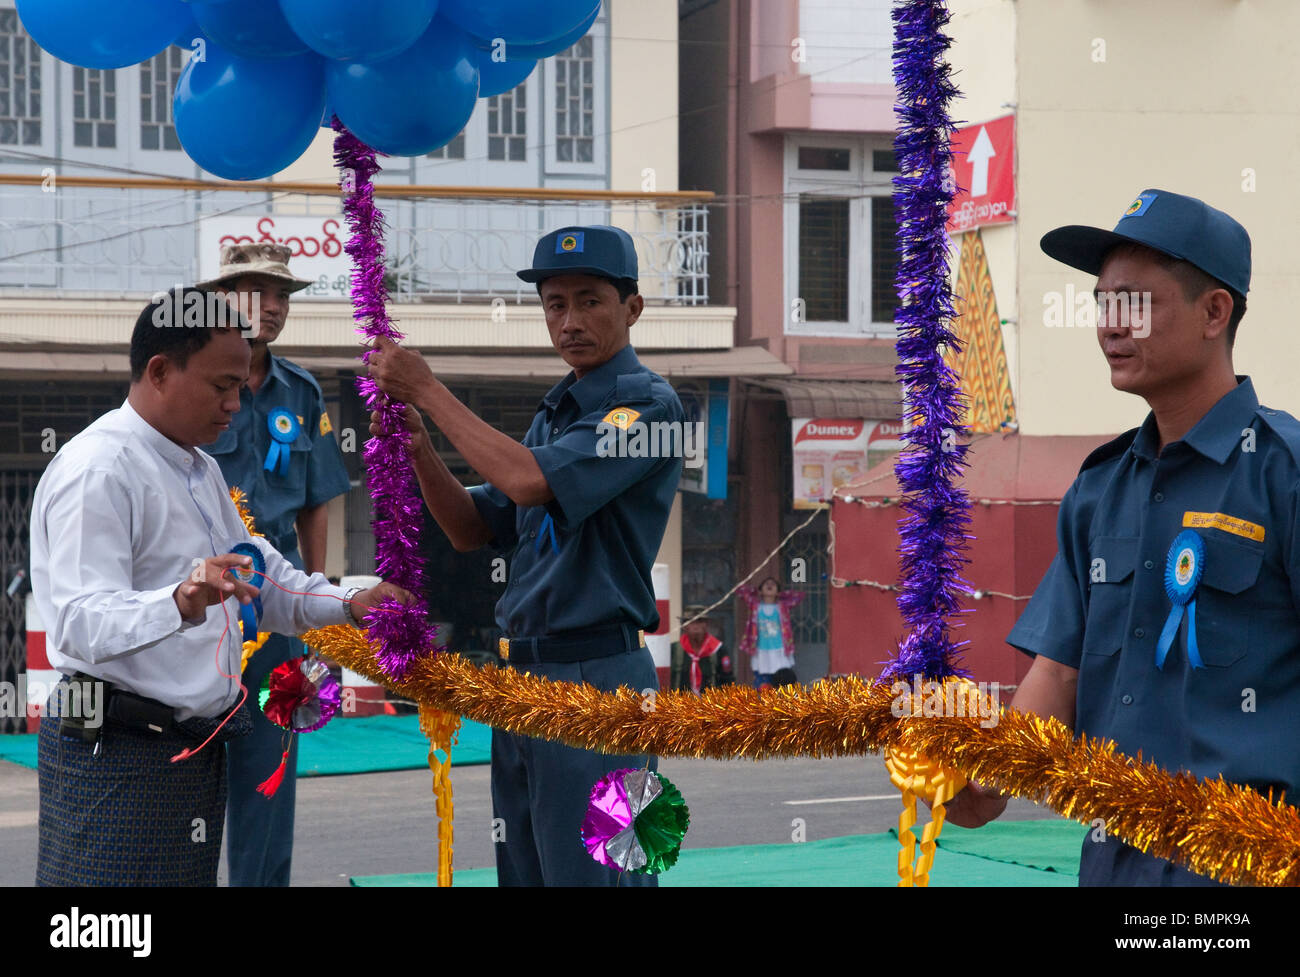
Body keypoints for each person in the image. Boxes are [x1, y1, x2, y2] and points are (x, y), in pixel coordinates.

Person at [944, 188, 1299, 886]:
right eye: (1102, 304)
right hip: (1117, 868)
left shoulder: (1282, 476)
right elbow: (1059, 672)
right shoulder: (1100, 490)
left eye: (1135, 302)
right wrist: (973, 777)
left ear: (1214, 311)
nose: (1111, 325)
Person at [29, 288, 409, 886]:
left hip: (185, 751)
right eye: (221, 385)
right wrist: (180, 600)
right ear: (159, 372)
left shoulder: (196, 465)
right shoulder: (100, 471)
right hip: (119, 755)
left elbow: (260, 576)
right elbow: (80, 621)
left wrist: (351, 604)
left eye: (241, 386)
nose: (236, 403)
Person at [366, 224, 684, 886]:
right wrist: (420, 444)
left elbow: (529, 482)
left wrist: (427, 390)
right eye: (555, 302)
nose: (569, 320)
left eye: (590, 300)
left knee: (599, 877)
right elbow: (472, 527)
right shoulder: (556, 414)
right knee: (529, 873)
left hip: (599, 679)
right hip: (523, 683)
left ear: (632, 308)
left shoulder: (649, 406)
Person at [195, 242, 352, 887]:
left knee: (269, 769)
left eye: (282, 296)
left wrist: (317, 608)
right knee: (191, 763)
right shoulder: (195, 381)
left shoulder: (303, 391)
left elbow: (315, 502)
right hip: (203, 604)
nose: (271, 308)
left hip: (278, 608)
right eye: (255, 293)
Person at [738, 576, 803, 688]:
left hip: (779, 650)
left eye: (773, 584)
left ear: (778, 591)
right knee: (763, 684)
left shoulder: (782, 607)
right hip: (761, 650)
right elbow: (741, 590)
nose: (769, 585)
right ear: (760, 590)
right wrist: (756, 592)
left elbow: (798, 596)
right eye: (766, 584)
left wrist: (781, 595)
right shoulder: (755, 606)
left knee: (785, 682)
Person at [670, 606, 724, 694]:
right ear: (684, 626)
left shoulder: (717, 649)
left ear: (706, 624)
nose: (696, 626)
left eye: (699, 621)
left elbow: (727, 681)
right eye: (691, 622)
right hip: (681, 704)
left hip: (710, 705)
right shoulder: (675, 650)